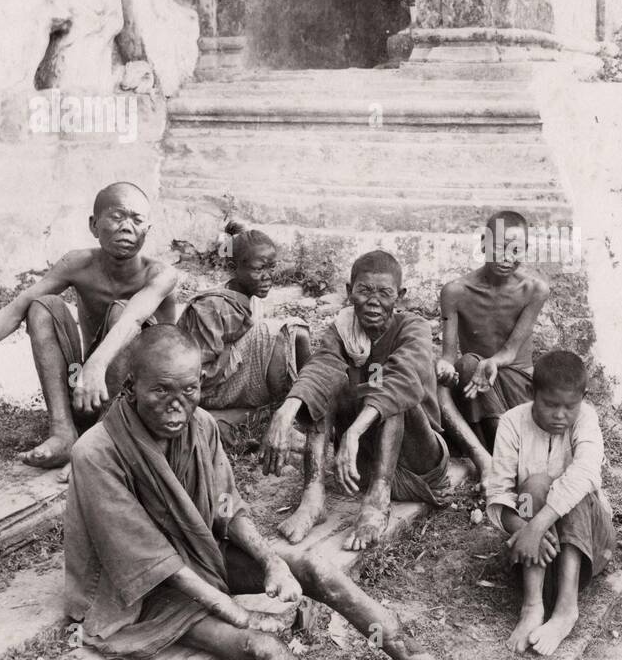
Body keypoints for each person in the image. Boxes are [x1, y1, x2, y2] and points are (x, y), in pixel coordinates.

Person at [65, 325, 479, 660]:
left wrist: (271, 562)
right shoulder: (96, 453)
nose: (176, 406)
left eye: (188, 390)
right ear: (130, 387)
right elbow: (146, 560)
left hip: (198, 554)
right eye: (160, 392)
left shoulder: (200, 424)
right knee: (259, 648)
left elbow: (227, 507)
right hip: (136, 591)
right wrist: (230, 608)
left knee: (315, 566)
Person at [0, 182, 178, 469]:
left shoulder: (162, 275)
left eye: (137, 220)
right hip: (88, 389)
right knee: (41, 307)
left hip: (144, 399)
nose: (127, 227)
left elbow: (131, 320)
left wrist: (95, 365)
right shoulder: (79, 263)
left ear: (148, 229)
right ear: (94, 225)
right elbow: (17, 307)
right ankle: (62, 431)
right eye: (117, 216)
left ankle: (107, 441)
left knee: (121, 311)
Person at [260, 250, 451, 550]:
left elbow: (402, 378)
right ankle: (313, 497)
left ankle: (377, 501)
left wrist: (354, 431)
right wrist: (287, 410)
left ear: (399, 297)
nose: (373, 301)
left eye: (385, 293)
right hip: (365, 462)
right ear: (350, 293)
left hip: (418, 462)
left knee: (393, 394)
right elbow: (321, 368)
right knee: (329, 384)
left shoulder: (414, 328)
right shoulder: (342, 329)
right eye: (364, 291)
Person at [484, 350, 616, 657]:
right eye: (550, 404)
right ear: (531, 393)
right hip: (538, 551)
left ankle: (566, 609)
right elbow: (500, 494)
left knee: (577, 485)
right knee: (533, 485)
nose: (561, 415)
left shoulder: (586, 418)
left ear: (583, 398)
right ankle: (532, 606)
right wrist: (526, 529)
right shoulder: (511, 423)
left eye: (570, 406)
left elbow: (585, 473)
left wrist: (537, 525)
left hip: (589, 546)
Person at [176, 220, 310, 443]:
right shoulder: (212, 307)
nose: (268, 276)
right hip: (208, 390)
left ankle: (303, 412)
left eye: (271, 268)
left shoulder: (250, 298)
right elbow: (198, 373)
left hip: (231, 379)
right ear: (233, 268)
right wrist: (241, 350)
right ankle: (281, 415)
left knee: (289, 335)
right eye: (259, 269)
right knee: (279, 333)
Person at [436, 212, 549, 473]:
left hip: (518, 384)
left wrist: (492, 363)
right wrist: (443, 367)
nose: (506, 258)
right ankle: (503, 459)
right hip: (473, 384)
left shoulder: (535, 290)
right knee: (466, 364)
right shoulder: (455, 292)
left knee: (478, 367)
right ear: (484, 244)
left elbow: (509, 352)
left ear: (526, 250)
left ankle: (497, 458)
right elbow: (449, 355)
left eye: (516, 250)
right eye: (499, 248)